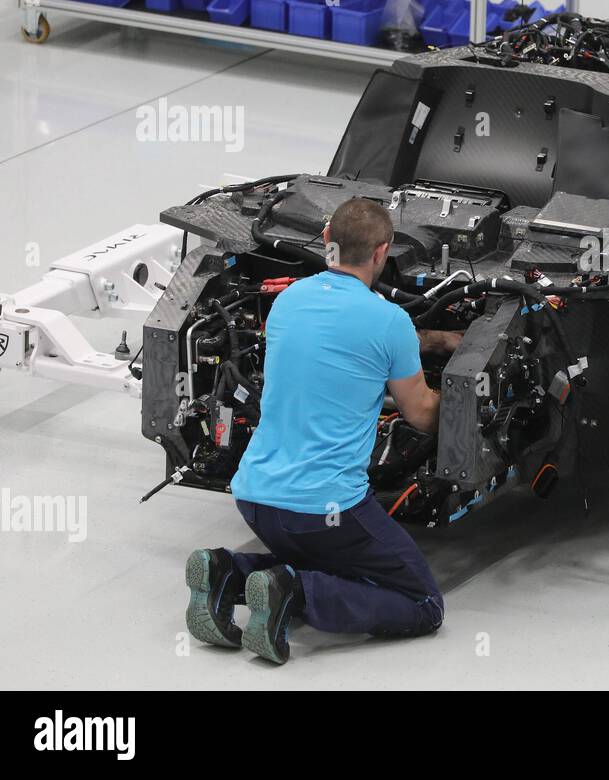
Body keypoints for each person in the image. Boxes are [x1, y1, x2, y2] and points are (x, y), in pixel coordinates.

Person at [183, 197, 457, 663]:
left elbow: (333, 345)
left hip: (254, 497)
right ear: (381, 253)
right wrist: (463, 391)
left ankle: (228, 571)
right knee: (423, 603)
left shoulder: (288, 300)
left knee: (321, 555)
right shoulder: (390, 321)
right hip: (324, 508)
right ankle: (295, 594)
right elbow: (422, 415)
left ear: (328, 241)